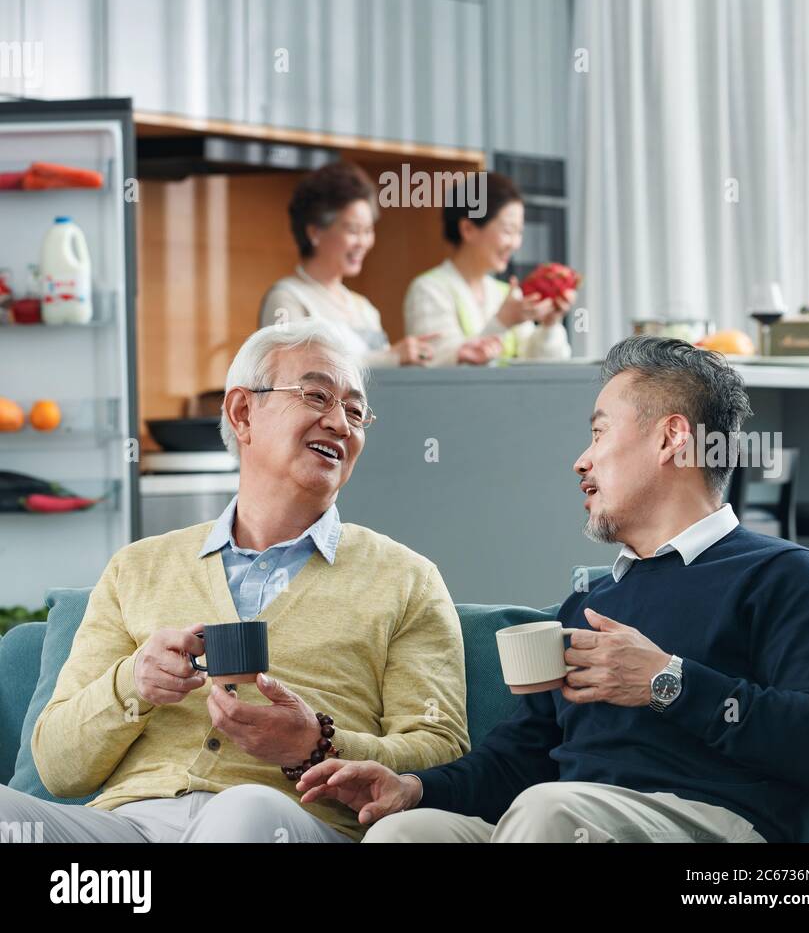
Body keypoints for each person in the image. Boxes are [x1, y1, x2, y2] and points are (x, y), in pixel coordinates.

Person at [293, 337, 809, 844]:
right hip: (564, 819)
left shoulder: (782, 573)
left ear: (671, 438)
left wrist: (667, 681)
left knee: (553, 811)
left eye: (599, 432)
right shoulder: (591, 601)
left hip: (715, 829)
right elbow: (522, 756)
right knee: (408, 832)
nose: (581, 460)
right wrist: (414, 786)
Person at [1, 319, 469, 843]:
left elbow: (438, 750)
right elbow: (59, 769)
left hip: (282, 823)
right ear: (243, 413)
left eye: (355, 411)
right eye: (317, 396)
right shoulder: (135, 568)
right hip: (127, 827)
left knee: (241, 813)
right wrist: (131, 684)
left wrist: (316, 744)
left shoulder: (407, 579)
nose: (340, 423)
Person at [259, 161, 437, 366]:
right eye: (353, 230)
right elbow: (294, 371)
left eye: (368, 231)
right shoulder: (286, 299)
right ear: (314, 232)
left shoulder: (364, 308)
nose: (363, 242)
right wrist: (392, 357)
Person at [402, 171, 575, 365]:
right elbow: (438, 364)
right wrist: (502, 322)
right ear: (468, 229)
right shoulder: (429, 290)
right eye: (508, 231)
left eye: (519, 232)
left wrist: (549, 324)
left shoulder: (504, 293)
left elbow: (540, 367)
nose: (515, 243)